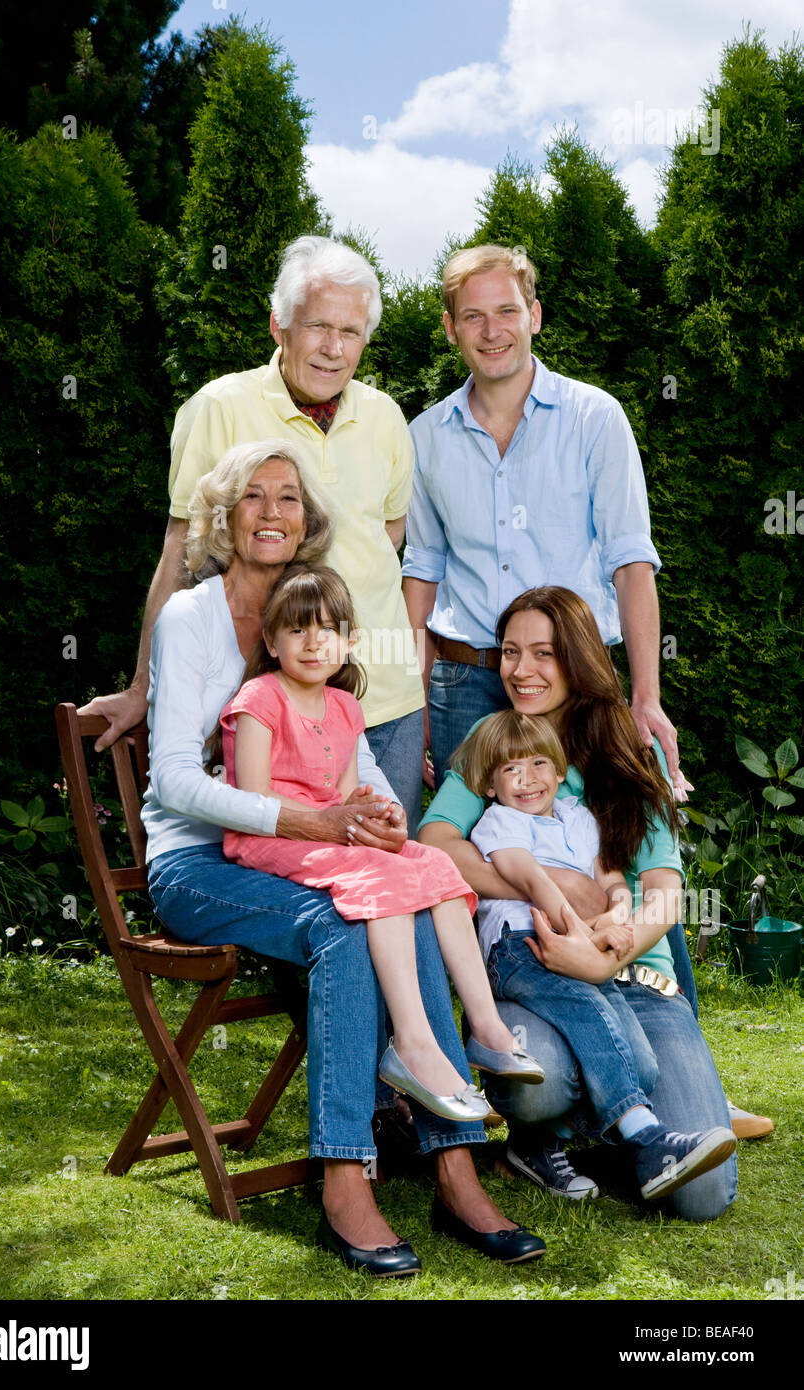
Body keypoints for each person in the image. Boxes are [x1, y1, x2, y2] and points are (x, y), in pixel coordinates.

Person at [141, 436, 547, 1275]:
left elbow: (345, 751)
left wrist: (373, 814)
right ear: (224, 514)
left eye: (289, 497)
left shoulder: (306, 621)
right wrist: (307, 820)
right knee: (349, 923)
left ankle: (455, 1166)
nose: (273, 512)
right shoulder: (192, 616)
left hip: (301, 849)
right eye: (253, 496)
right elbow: (177, 780)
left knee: (395, 888)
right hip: (197, 864)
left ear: (307, 520)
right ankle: (345, 1177)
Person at [82, 235, 426, 832]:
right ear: (279, 326)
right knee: (302, 869)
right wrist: (143, 687)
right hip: (280, 697)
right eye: (317, 326)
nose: (332, 348)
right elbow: (180, 552)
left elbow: (388, 537)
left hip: (387, 702)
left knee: (390, 873)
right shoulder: (220, 407)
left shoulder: (386, 417)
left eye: (350, 332)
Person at [419, 586, 738, 1220]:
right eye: (510, 652)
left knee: (703, 1197)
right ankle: (575, 1130)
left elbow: (665, 896)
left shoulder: (626, 751)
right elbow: (436, 843)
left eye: (543, 653)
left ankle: (619, 1134)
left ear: (579, 661)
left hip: (639, 978)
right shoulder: (495, 740)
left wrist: (609, 951)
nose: (521, 669)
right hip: (539, 962)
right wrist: (557, 887)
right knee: (539, 1084)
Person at [217, 564, 544, 1119]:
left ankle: (486, 1025)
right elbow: (253, 801)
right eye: (297, 630)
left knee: (436, 865)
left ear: (349, 641)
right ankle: (412, 1043)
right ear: (271, 641)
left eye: (327, 630)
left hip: (331, 837)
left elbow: (349, 794)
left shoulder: (345, 707)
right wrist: (343, 823)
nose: (313, 642)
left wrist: (378, 819)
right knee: (387, 879)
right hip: (271, 835)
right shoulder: (260, 699)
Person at [401, 243, 685, 802]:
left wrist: (646, 695)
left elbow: (630, 562)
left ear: (534, 315)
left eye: (506, 311)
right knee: (471, 851)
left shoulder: (595, 418)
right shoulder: (425, 437)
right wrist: (415, 700)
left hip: (575, 677)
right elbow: (423, 572)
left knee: (586, 843)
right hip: (464, 682)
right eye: (472, 316)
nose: (491, 331)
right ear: (450, 328)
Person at [452, 708, 736, 1203]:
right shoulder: (498, 822)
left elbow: (608, 877)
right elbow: (530, 879)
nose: (526, 779)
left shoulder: (579, 817)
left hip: (587, 947)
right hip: (522, 947)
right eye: (510, 770)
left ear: (561, 772)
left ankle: (548, 1143)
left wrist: (618, 919)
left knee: (639, 1059)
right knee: (589, 1016)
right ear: (491, 786)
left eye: (539, 764)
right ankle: (647, 1139)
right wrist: (577, 923)